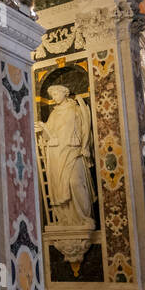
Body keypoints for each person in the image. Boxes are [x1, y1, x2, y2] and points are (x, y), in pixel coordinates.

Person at [36, 84, 95, 228]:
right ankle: (66, 219)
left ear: (64, 93)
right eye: (52, 96)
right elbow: (49, 134)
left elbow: (85, 128)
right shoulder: (54, 114)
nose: (54, 98)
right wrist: (41, 129)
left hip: (73, 150)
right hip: (57, 153)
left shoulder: (76, 109)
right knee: (60, 186)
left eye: (56, 94)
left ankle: (84, 217)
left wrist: (85, 146)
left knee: (75, 182)